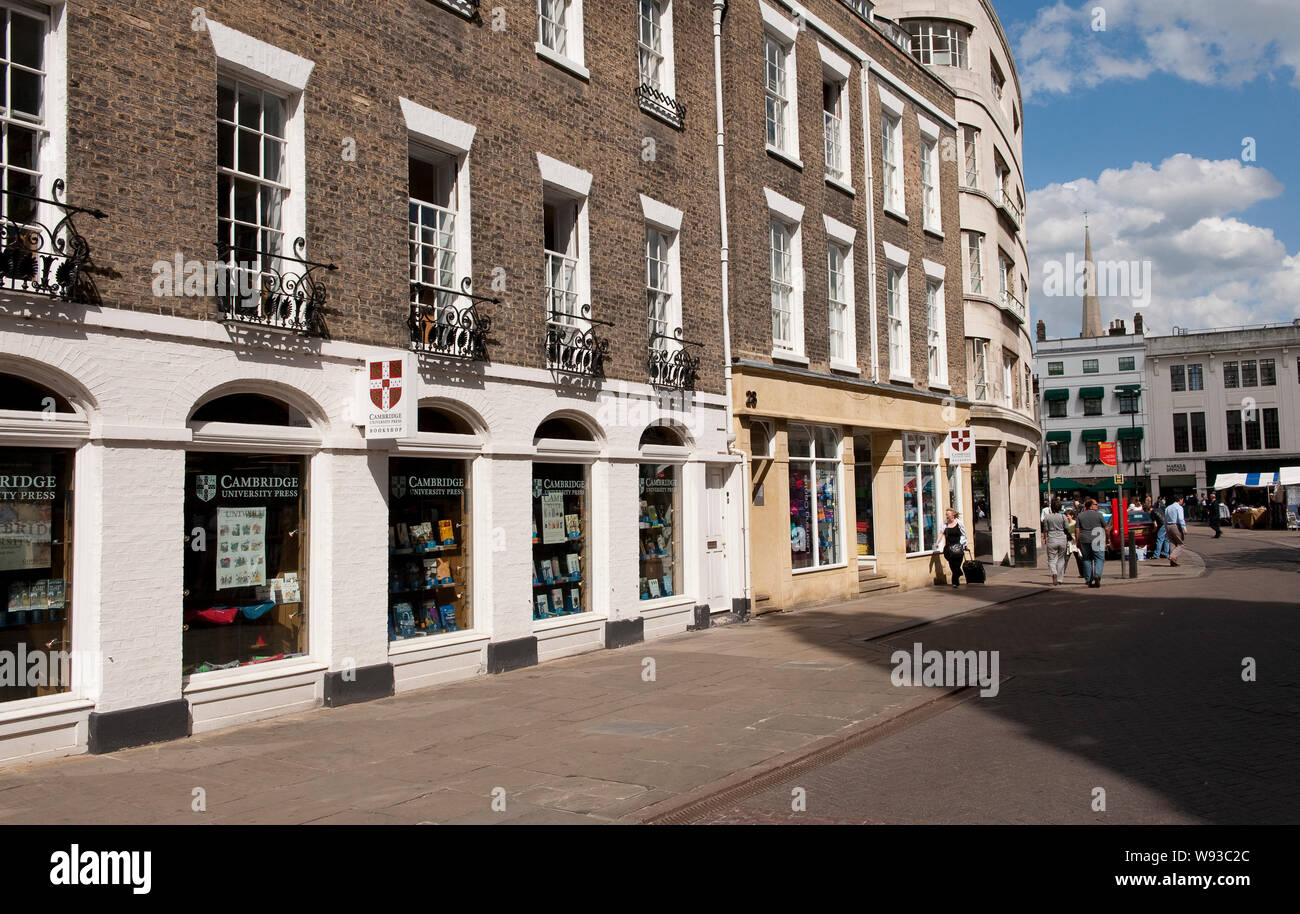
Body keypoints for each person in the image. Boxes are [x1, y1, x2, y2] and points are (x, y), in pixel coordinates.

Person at [1077, 497, 1110, 587]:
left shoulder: (1080, 515)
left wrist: (1078, 541)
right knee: (1099, 558)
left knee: (1087, 559)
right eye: (1096, 504)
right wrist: (1108, 539)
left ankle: (1088, 579)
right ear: (1091, 506)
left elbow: (1077, 529)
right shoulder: (1099, 515)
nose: (1097, 506)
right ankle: (1097, 574)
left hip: (1084, 538)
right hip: (1097, 539)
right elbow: (1106, 528)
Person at [1042, 497, 1071, 586]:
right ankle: (1060, 578)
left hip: (1051, 538)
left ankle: (1054, 573)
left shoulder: (1047, 517)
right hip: (1062, 538)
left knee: (1051, 559)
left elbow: (1045, 529)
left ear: (1052, 508)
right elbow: (1067, 528)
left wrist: (1045, 538)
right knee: (1061, 559)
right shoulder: (1063, 517)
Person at [937, 508, 968, 588]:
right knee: (952, 565)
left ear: (953, 515)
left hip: (958, 547)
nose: (946, 516)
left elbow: (964, 535)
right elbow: (941, 533)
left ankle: (955, 582)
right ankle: (958, 573)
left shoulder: (959, 523)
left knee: (957, 565)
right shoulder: (945, 524)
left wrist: (963, 544)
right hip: (948, 548)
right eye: (946, 514)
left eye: (948, 514)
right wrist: (937, 542)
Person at [1165, 494, 1188, 566]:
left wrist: (1166, 528)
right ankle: (1173, 557)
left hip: (1168, 525)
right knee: (1181, 544)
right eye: (1182, 500)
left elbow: (1165, 518)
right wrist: (1184, 528)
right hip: (1175, 525)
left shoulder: (1168, 507)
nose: (1182, 501)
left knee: (1172, 543)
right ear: (1180, 499)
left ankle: (1173, 562)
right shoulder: (1179, 508)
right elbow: (1181, 519)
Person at [1149, 495, 1168, 559]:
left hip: (1162, 525)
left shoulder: (1152, 512)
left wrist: (1154, 530)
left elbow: (1155, 525)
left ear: (1149, 510)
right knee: (1166, 540)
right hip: (1167, 524)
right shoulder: (1160, 509)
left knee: (1160, 539)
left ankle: (1156, 555)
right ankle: (1166, 554)